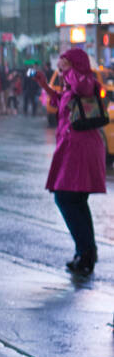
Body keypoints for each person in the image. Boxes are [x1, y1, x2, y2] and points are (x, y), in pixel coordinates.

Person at [37, 48, 106, 276]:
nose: (61, 64)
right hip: (73, 147)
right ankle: (85, 252)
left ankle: (86, 252)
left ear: (76, 63)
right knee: (76, 200)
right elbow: (62, 102)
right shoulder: (72, 84)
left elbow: (82, 88)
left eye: (65, 61)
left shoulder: (85, 80)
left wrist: (70, 70)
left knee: (65, 197)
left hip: (81, 148)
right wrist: (45, 86)